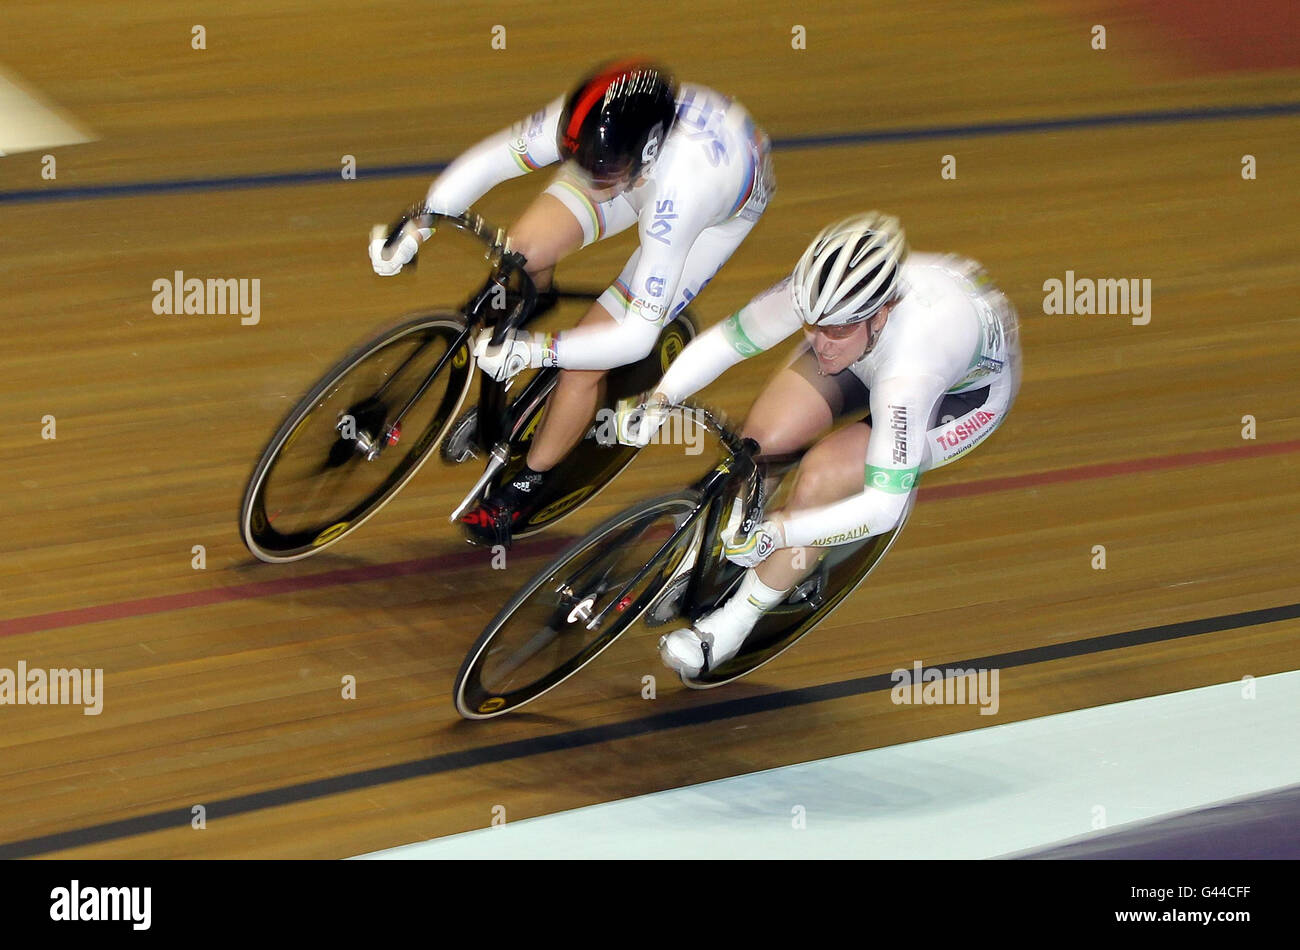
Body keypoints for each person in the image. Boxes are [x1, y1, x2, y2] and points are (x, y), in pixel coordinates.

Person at [369, 59, 774, 545]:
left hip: (711, 213)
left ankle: (526, 484)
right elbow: (494, 158)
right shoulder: (593, 126)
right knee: (522, 249)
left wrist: (540, 351)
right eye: (582, 164)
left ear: (640, 157)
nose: (592, 179)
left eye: (602, 172)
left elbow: (634, 338)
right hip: (640, 163)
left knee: (583, 362)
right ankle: (525, 315)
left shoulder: (679, 199)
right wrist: (422, 222)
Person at [621, 212, 1022, 676]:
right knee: (764, 439)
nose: (821, 342)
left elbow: (883, 508)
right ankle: (708, 553)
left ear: (882, 313)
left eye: (836, 331)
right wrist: (661, 399)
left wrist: (782, 533)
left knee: (823, 475)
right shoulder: (826, 300)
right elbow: (730, 342)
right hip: (879, 344)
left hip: (961, 396)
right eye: (812, 325)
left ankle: (730, 627)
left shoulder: (911, 368)